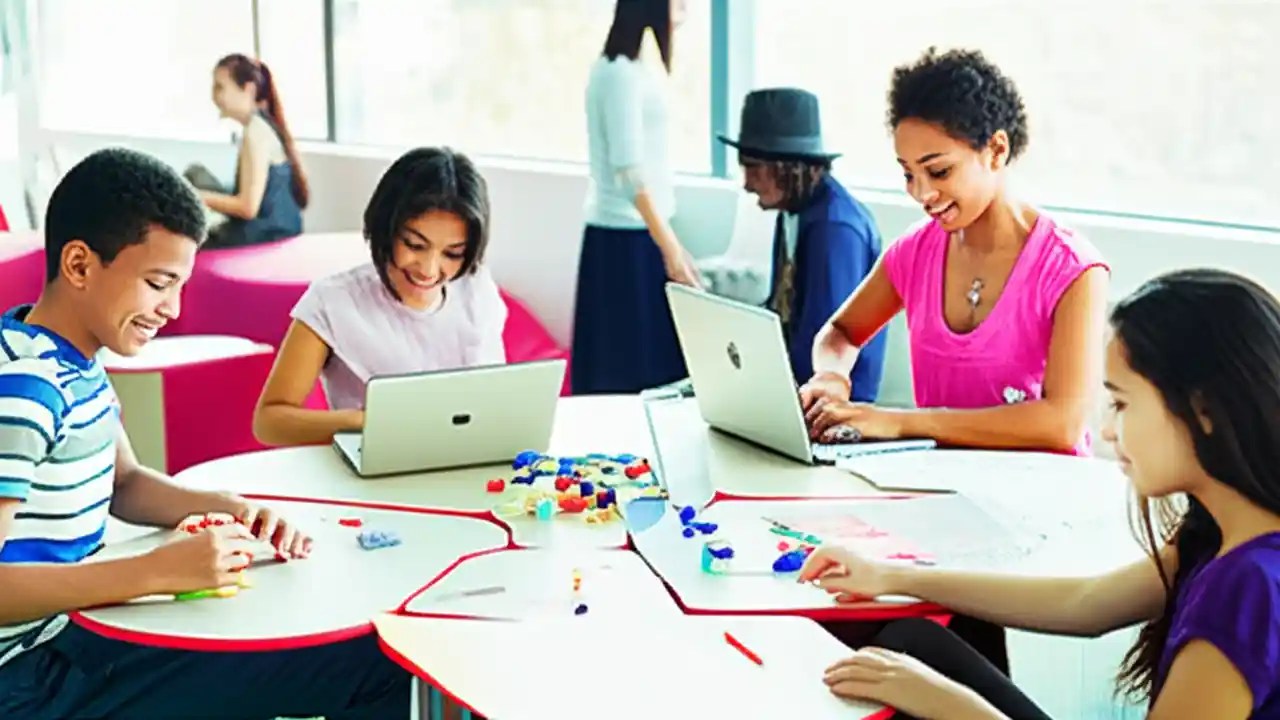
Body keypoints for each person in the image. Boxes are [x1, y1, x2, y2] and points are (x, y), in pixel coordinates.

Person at [0, 148, 408, 719]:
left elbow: (126, 483)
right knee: (372, 665)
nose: (172, 308)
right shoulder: (23, 389)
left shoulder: (72, 361)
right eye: (159, 283)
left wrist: (229, 509)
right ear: (79, 265)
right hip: (32, 678)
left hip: (78, 640)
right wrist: (152, 572)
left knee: (359, 650)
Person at [800, 268, 1280, 720]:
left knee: (911, 674)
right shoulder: (1219, 534)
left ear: (1204, 410)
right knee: (912, 640)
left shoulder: (1247, 589)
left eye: (1121, 403)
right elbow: (1087, 603)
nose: (1108, 432)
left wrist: (953, 706)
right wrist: (891, 576)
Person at [802, 47, 1110, 455]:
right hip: (940, 489)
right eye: (908, 173)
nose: (922, 193)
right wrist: (831, 377)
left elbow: (1062, 424)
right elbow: (840, 334)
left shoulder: (1073, 270)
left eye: (939, 171)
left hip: (1040, 500)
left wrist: (898, 423)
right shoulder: (914, 251)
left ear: (997, 150)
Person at [253, 146, 506, 446]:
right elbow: (270, 422)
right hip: (376, 470)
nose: (429, 269)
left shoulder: (476, 289)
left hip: (470, 462)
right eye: (414, 245)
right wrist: (367, 422)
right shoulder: (332, 301)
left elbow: (497, 396)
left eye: (452, 253)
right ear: (386, 228)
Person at [719, 87, 887, 402]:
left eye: (752, 168)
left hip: (833, 403)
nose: (746, 183)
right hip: (792, 387)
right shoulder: (792, 212)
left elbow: (824, 339)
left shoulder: (835, 228)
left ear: (787, 168)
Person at [571, 0, 701, 395]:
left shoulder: (638, 70)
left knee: (657, 372)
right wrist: (671, 248)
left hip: (642, 234)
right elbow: (628, 172)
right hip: (623, 241)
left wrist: (669, 242)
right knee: (627, 376)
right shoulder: (618, 74)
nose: (685, 6)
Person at [188, 53, 307, 249]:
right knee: (195, 173)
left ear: (248, 89)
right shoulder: (259, 126)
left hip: (265, 235)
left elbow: (248, 208)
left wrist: (197, 196)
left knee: (185, 247)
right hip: (276, 228)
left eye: (220, 88)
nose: (214, 96)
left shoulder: (256, 132)